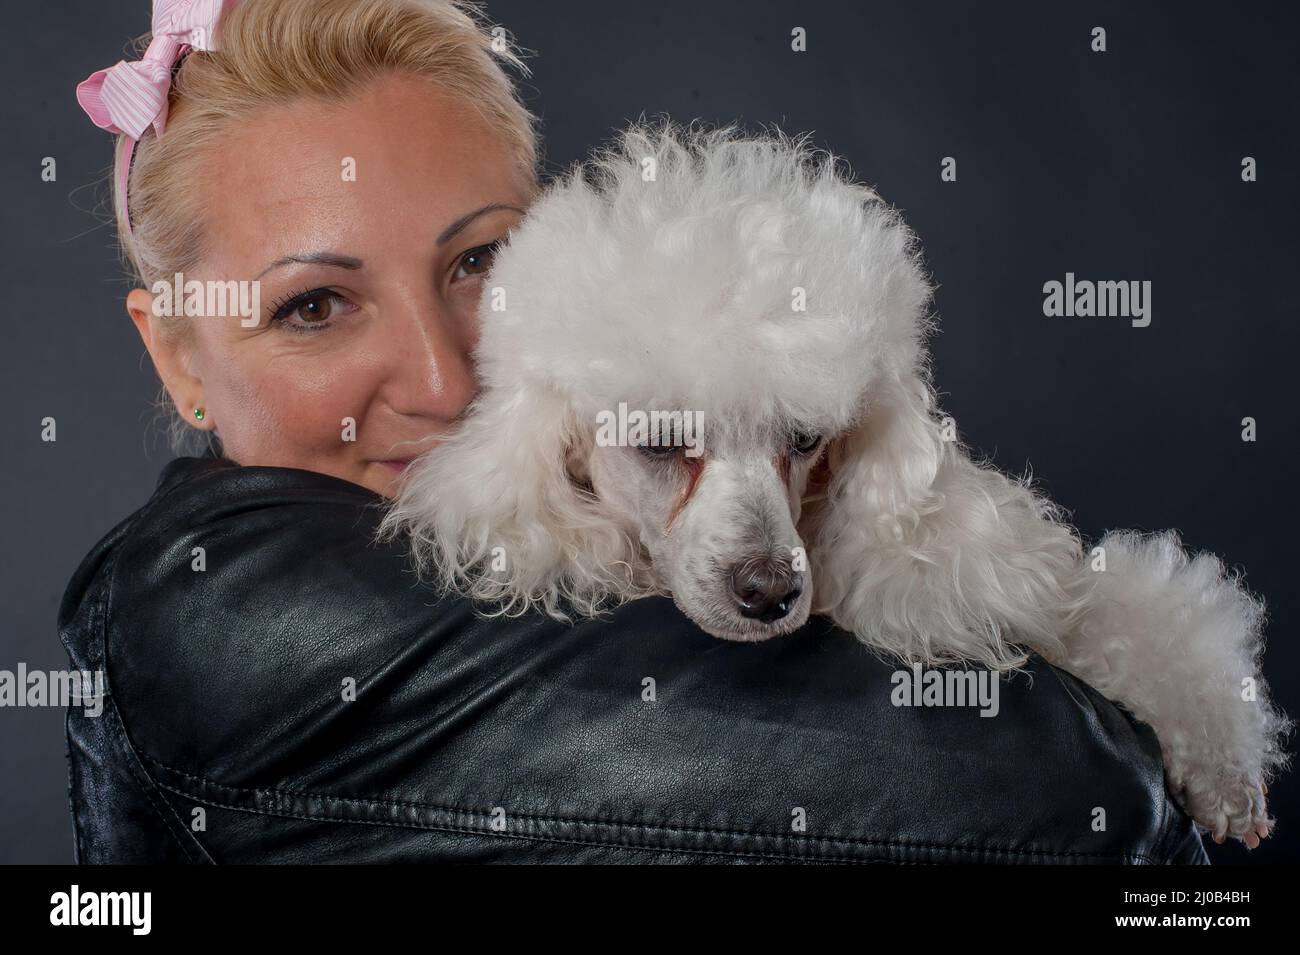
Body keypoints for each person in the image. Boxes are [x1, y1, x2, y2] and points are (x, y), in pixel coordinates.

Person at [59, 0, 1207, 863]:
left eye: (480, 263)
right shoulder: (218, 607)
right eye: (314, 304)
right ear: (176, 353)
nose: (450, 377)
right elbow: (1065, 802)